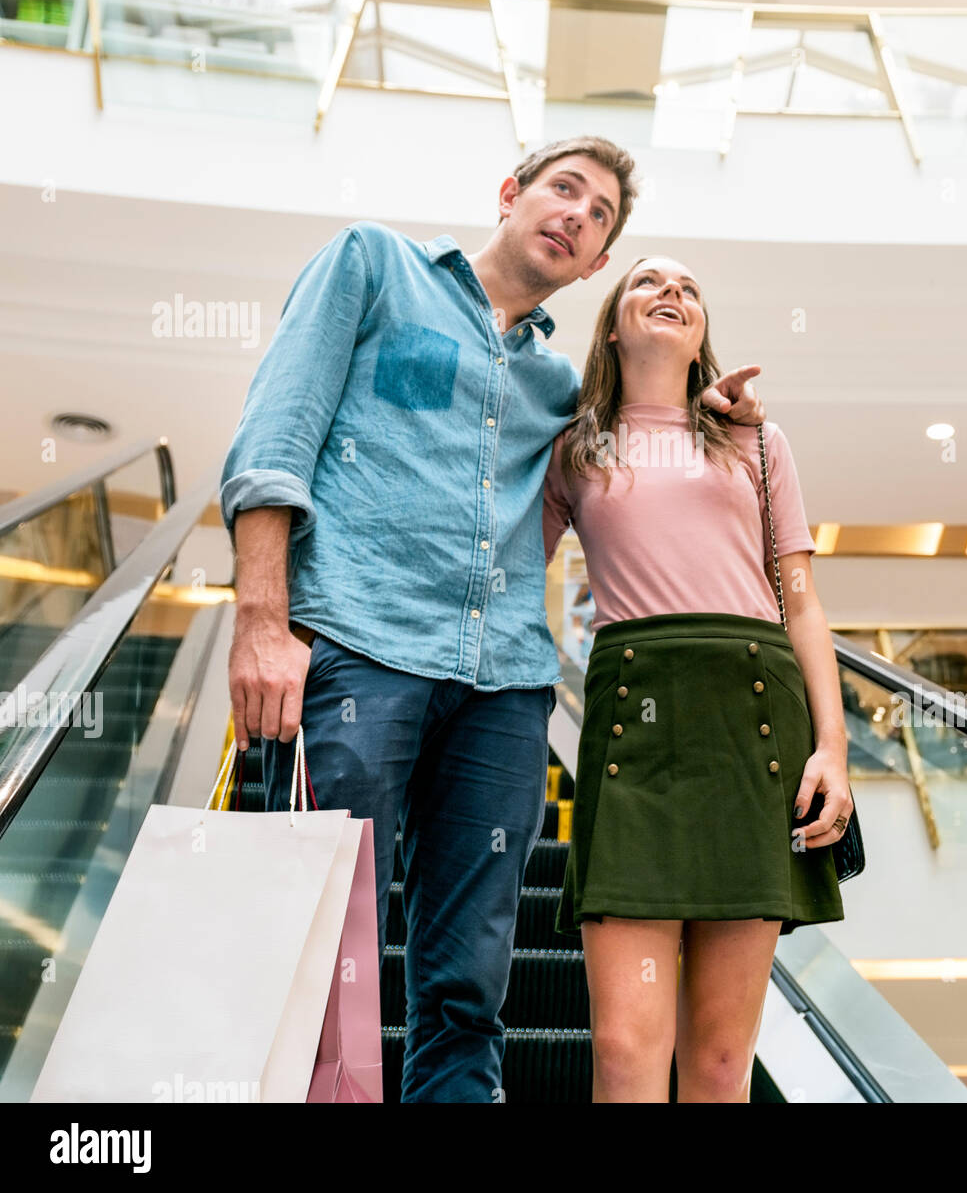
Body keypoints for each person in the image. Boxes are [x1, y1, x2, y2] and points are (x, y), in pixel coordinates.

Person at [219, 137, 766, 1103]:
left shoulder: (562, 393)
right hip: (359, 654)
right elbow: (276, 435)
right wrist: (263, 618)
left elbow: (636, 436)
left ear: (596, 265)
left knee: (469, 991)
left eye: (599, 217)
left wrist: (698, 410)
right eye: (565, 191)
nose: (577, 216)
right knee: (318, 957)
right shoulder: (372, 267)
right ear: (511, 194)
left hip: (506, 692)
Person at [542, 255, 851, 1103]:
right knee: (622, 1048)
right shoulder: (573, 446)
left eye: (689, 288)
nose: (672, 293)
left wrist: (833, 747)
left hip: (751, 721)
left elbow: (803, 604)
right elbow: (505, 568)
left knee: (720, 1061)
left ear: (703, 330)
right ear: (611, 325)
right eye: (647, 283)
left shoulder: (757, 437)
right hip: (630, 728)